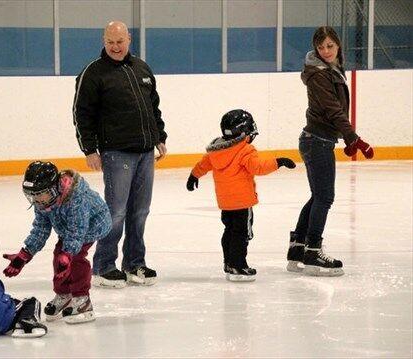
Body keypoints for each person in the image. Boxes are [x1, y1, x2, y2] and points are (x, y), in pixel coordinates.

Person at [72, 21, 167, 288]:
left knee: (140, 211)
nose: (115, 47)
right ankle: (104, 265)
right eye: (110, 42)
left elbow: (154, 107)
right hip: (116, 153)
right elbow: (82, 114)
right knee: (115, 212)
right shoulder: (93, 73)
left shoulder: (142, 68)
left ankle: (135, 263)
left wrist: (159, 137)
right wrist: (90, 149)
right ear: (104, 41)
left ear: (129, 40)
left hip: (146, 151)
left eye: (120, 41)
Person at [286, 26, 374, 277]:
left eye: (330, 46)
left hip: (317, 139)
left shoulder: (331, 69)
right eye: (321, 47)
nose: (325, 51)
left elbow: (335, 111)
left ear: (338, 46)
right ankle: (313, 253)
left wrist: (345, 136)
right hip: (317, 141)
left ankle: (298, 249)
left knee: (317, 196)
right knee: (324, 198)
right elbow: (333, 110)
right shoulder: (319, 74)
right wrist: (353, 138)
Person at [186, 109, 296, 281]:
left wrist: (194, 175)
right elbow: (258, 167)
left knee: (229, 231)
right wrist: (278, 162)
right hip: (242, 202)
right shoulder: (245, 150)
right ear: (243, 131)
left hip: (225, 202)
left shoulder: (216, 151)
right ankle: (238, 265)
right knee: (242, 234)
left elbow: (203, 164)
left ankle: (229, 263)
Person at [3, 161, 111, 324]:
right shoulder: (42, 201)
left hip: (93, 224)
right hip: (69, 228)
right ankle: (64, 294)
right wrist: (25, 254)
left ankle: (83, 301)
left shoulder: (76, 198)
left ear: (54, 188)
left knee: (75, 258)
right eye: (33, 194)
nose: (37, 199)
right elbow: (41, 228)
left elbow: (77, 229)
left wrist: (68, 254)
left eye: (41, 194)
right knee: (58, 257)